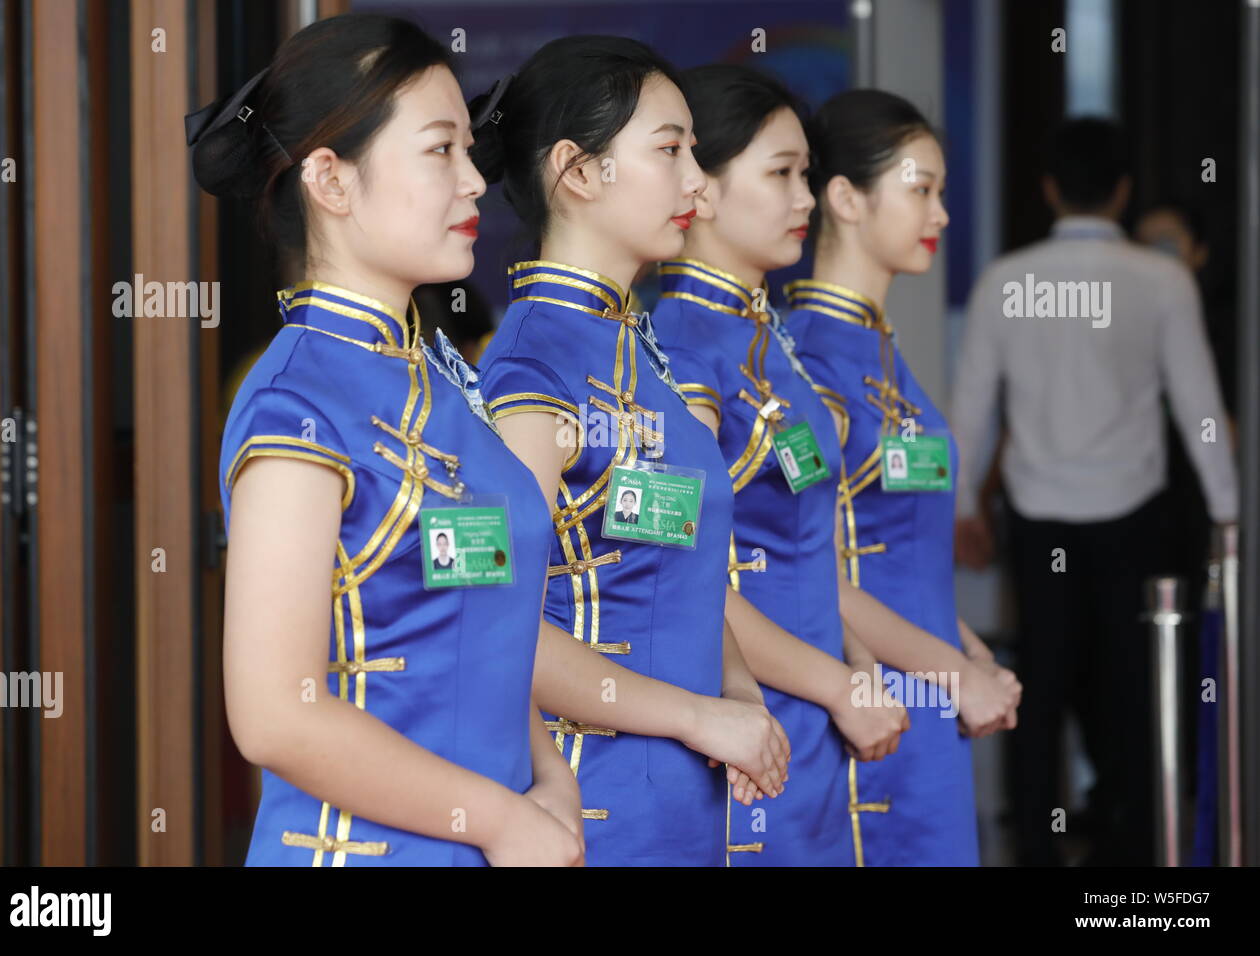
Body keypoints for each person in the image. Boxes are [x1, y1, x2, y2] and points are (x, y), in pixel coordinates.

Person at [196, 14, 583, 866]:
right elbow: (274, 715)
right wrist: (501, 820)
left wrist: (551, 780)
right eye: (440, 150)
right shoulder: (296, 400)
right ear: (331, 181)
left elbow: (493, 623)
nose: (475, 181)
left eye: (469, 151)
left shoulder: (444, 379)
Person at [470, 36, 791, 867]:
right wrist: (699, 716)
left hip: (684, 798)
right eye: (670, 150)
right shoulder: (531, 368)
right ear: (578, 171)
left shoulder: (639, 353)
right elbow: (497, 626)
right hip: (589, 803)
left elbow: (687, 575)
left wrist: (740, 697)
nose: (698, 183)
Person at [950, 118, 1238, 866]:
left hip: (1038, 519)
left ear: (1050, 189)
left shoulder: (1005, 282)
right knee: (1135, 689)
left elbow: (971, 412)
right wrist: (1228, 515)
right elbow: (1202, 411)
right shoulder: (1163, 281)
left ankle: (1033, 849)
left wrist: (961, 508)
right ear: (1123, 191)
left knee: (1035, 689)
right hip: (1134, 517)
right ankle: (1132, 854)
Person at [651, 65, 914, 866]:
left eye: (807, 174)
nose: (806, 198)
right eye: (781, 174)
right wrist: (840, 684)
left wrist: (857, 670)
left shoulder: (770, 340)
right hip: (750, 722)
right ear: (702, 186)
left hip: (816, 714)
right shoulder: (683, 347)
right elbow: (684, 577)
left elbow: (809, 557)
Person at [786, 88, 1022, 866]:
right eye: (921, 190)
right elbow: (804, 569)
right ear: (846, 198)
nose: (941, 214)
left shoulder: (881, 352)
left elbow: (908, 556)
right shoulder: (809, 362)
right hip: (868, 711)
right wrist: (955, 671)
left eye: (941, 193)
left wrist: (971, 656)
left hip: (931, 705)